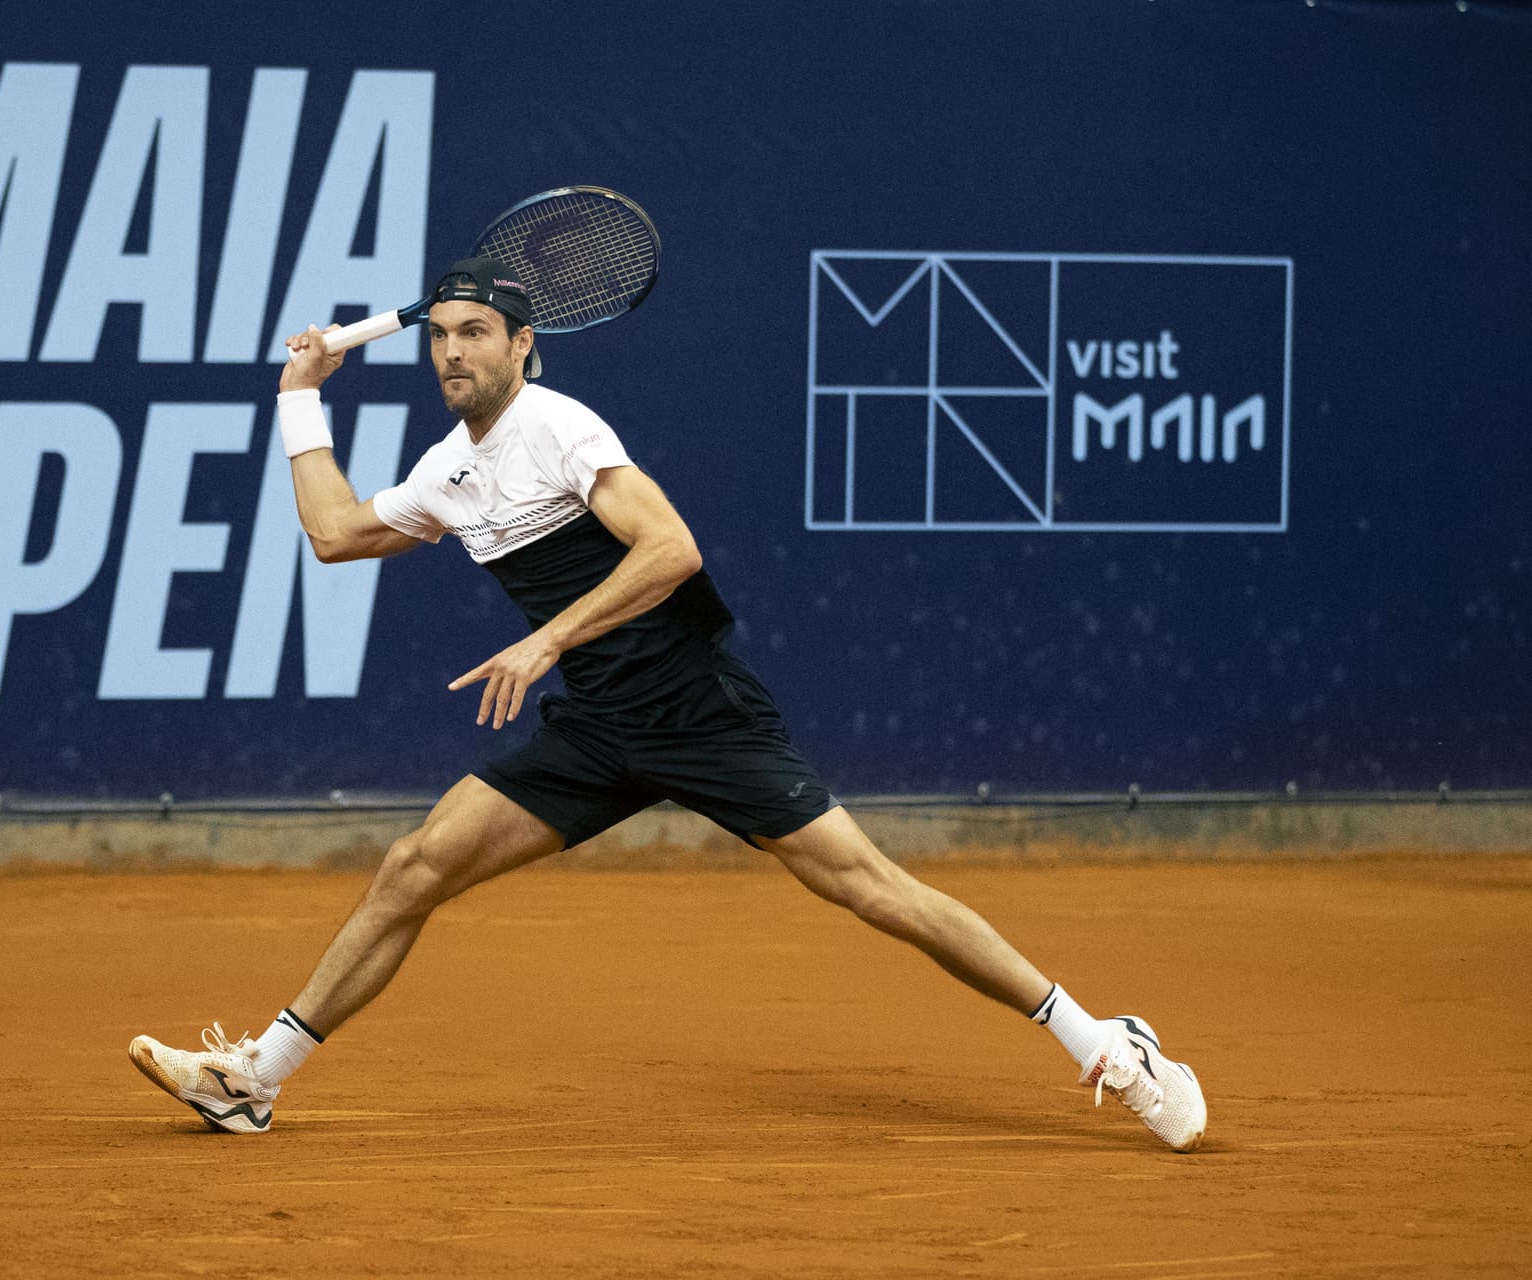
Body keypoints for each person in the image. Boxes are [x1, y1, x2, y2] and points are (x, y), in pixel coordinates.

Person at [127, 257, 1207, 1152]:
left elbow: (672, 547)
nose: (453, 350)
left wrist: (547, 635)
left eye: (477, 332)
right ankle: (253, 1081)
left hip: (697, 708)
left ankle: (1102, 1037)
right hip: (599, 726)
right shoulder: (449, 470)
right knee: (415, 865)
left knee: (870, 888)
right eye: (441, 333)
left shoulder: (559, 426)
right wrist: (301, 394)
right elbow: (334, 531)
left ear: (522, 347)